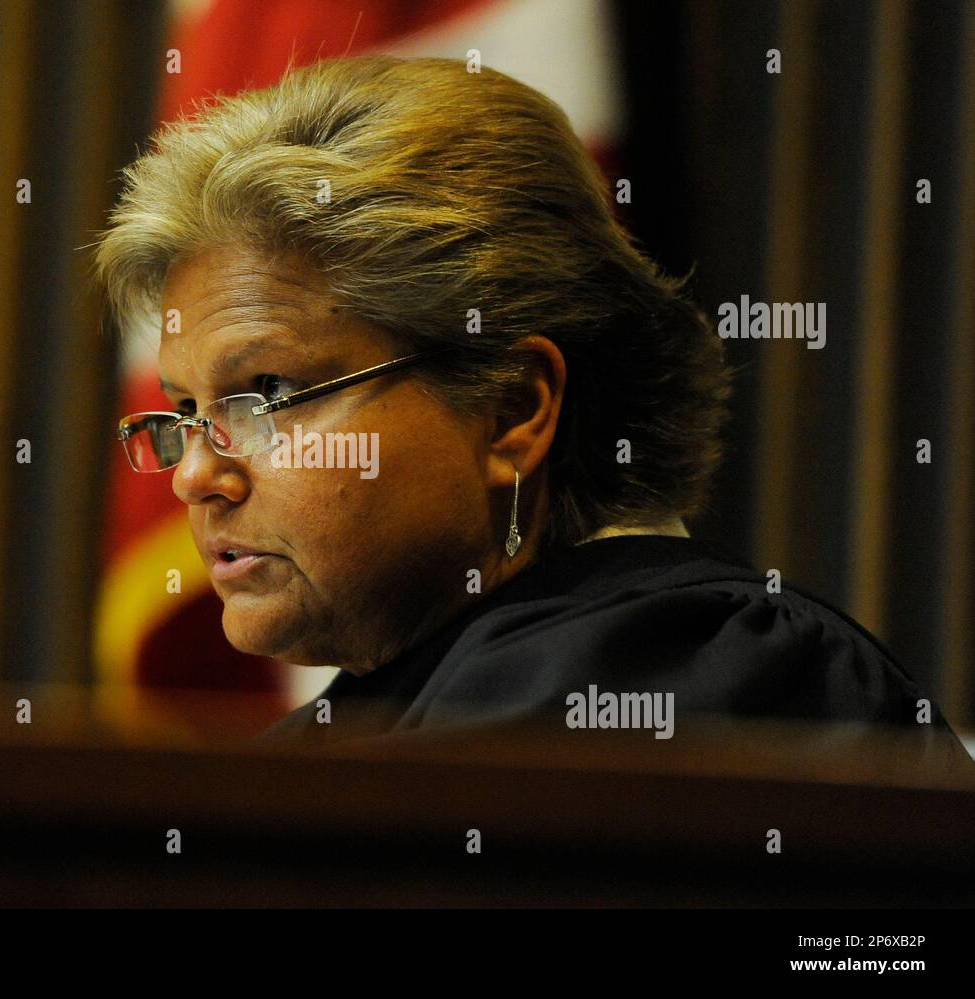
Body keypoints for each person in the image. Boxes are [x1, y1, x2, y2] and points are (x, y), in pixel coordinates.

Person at [93, 55, 971, 770]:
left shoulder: (697, 679)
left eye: (269, 396)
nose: (195, 473)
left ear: (514, 410)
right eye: (182, 412)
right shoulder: (375, 720)